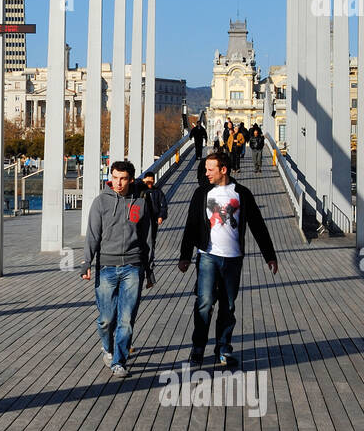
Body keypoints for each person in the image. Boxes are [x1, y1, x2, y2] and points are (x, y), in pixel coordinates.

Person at [176, 151, 278, 368]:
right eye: (206, 169)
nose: (206, 173)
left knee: (228, 306)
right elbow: (191, 225)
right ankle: (198, 348)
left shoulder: (242, 193)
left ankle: (224, 349)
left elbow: (258, 225)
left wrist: (270, 256)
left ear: (223, 170)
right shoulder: (201, 193)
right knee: (204, 303)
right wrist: (185, 256)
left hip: (233, 259)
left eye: (210, 169)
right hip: (208, 257)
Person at [80, 160, 154, 379]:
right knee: (106, 319)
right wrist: (86, 263)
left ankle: (119, 361)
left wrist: (149, 270)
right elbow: (93, 235)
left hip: (133, 267)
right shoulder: (101, 202)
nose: (118, 183)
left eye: (122, 179)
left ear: (131, 180)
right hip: (106, 268)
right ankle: (107, 347)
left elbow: (148, 239)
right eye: (114, 178)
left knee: (126, 319)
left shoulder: (140, 203)